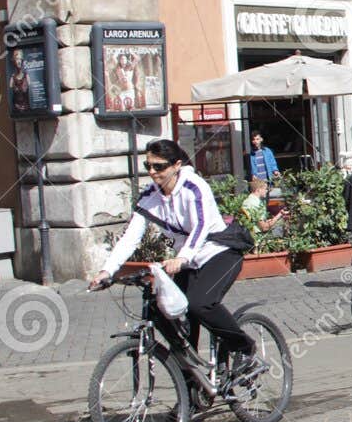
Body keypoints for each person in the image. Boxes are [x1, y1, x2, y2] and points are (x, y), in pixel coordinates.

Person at [91, 139, 259, 390]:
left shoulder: (194, 187)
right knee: (170, 315)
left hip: (219, 252)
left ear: (177, 165)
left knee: (199, 303)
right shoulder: (150, 196)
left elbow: (201, 226)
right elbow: (130, 236)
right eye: (148, 166)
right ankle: (193, 390)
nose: (152, 172)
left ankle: (244, 348)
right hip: (186, 261)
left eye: (158, 166)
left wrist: (183, 257)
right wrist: (108, 270)